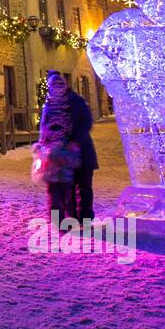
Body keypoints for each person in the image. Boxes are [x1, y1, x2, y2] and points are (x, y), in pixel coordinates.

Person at [35, 71, 98, 222]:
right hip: (58, 154)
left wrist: (74, 142)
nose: (56, 89)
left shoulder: (75, 101)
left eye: (59, 85)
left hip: (80, 151)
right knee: (62, 188)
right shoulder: (50, 105)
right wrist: (44, 145)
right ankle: (68, 219)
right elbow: (44, 127)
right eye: (53, 86)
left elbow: (86, 123)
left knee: (81, 186)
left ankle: (83, 218)